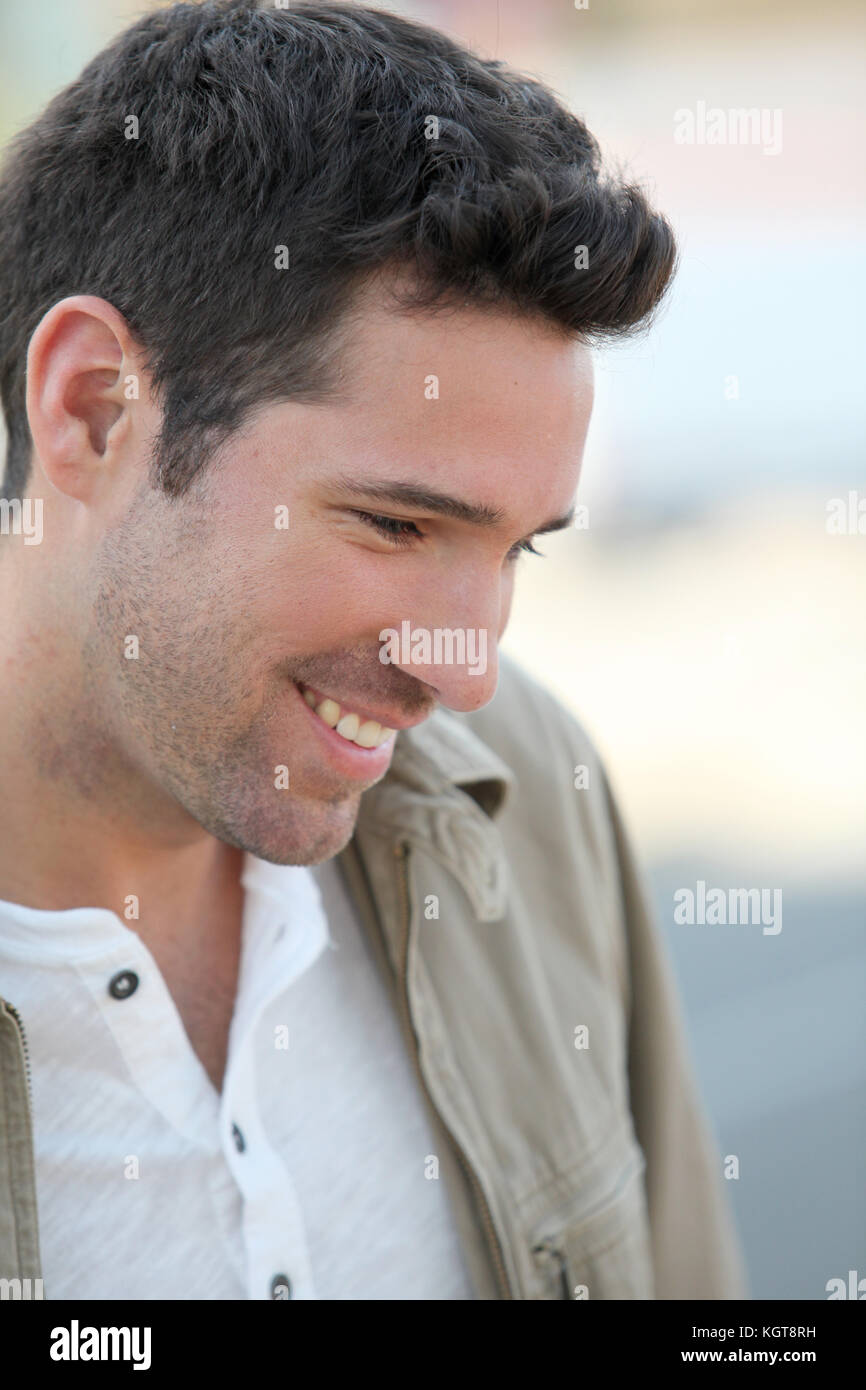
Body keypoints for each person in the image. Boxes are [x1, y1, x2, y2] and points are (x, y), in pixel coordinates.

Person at [0, 0, 747, 1300]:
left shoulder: (524, 784)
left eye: (519, 547)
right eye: (398, 522)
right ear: (92, 408)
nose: (465, 672)